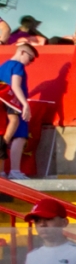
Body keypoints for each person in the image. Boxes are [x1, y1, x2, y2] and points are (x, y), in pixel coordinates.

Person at [21, 200, 76, 264]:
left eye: (48, 219)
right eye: (37, 220)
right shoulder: (32, 256)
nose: (42, 224)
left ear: (64, 222)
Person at [1, 41, 33, 179]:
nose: (30, 62)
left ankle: (2, 171)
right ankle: (15, 170)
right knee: (20, 136)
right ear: (22, 52)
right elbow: (15, 85)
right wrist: (25, 104)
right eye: (30, 58)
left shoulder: (3, 66)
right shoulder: (18, 65)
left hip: (2, 104)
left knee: (4, 136)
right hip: (14, 104)